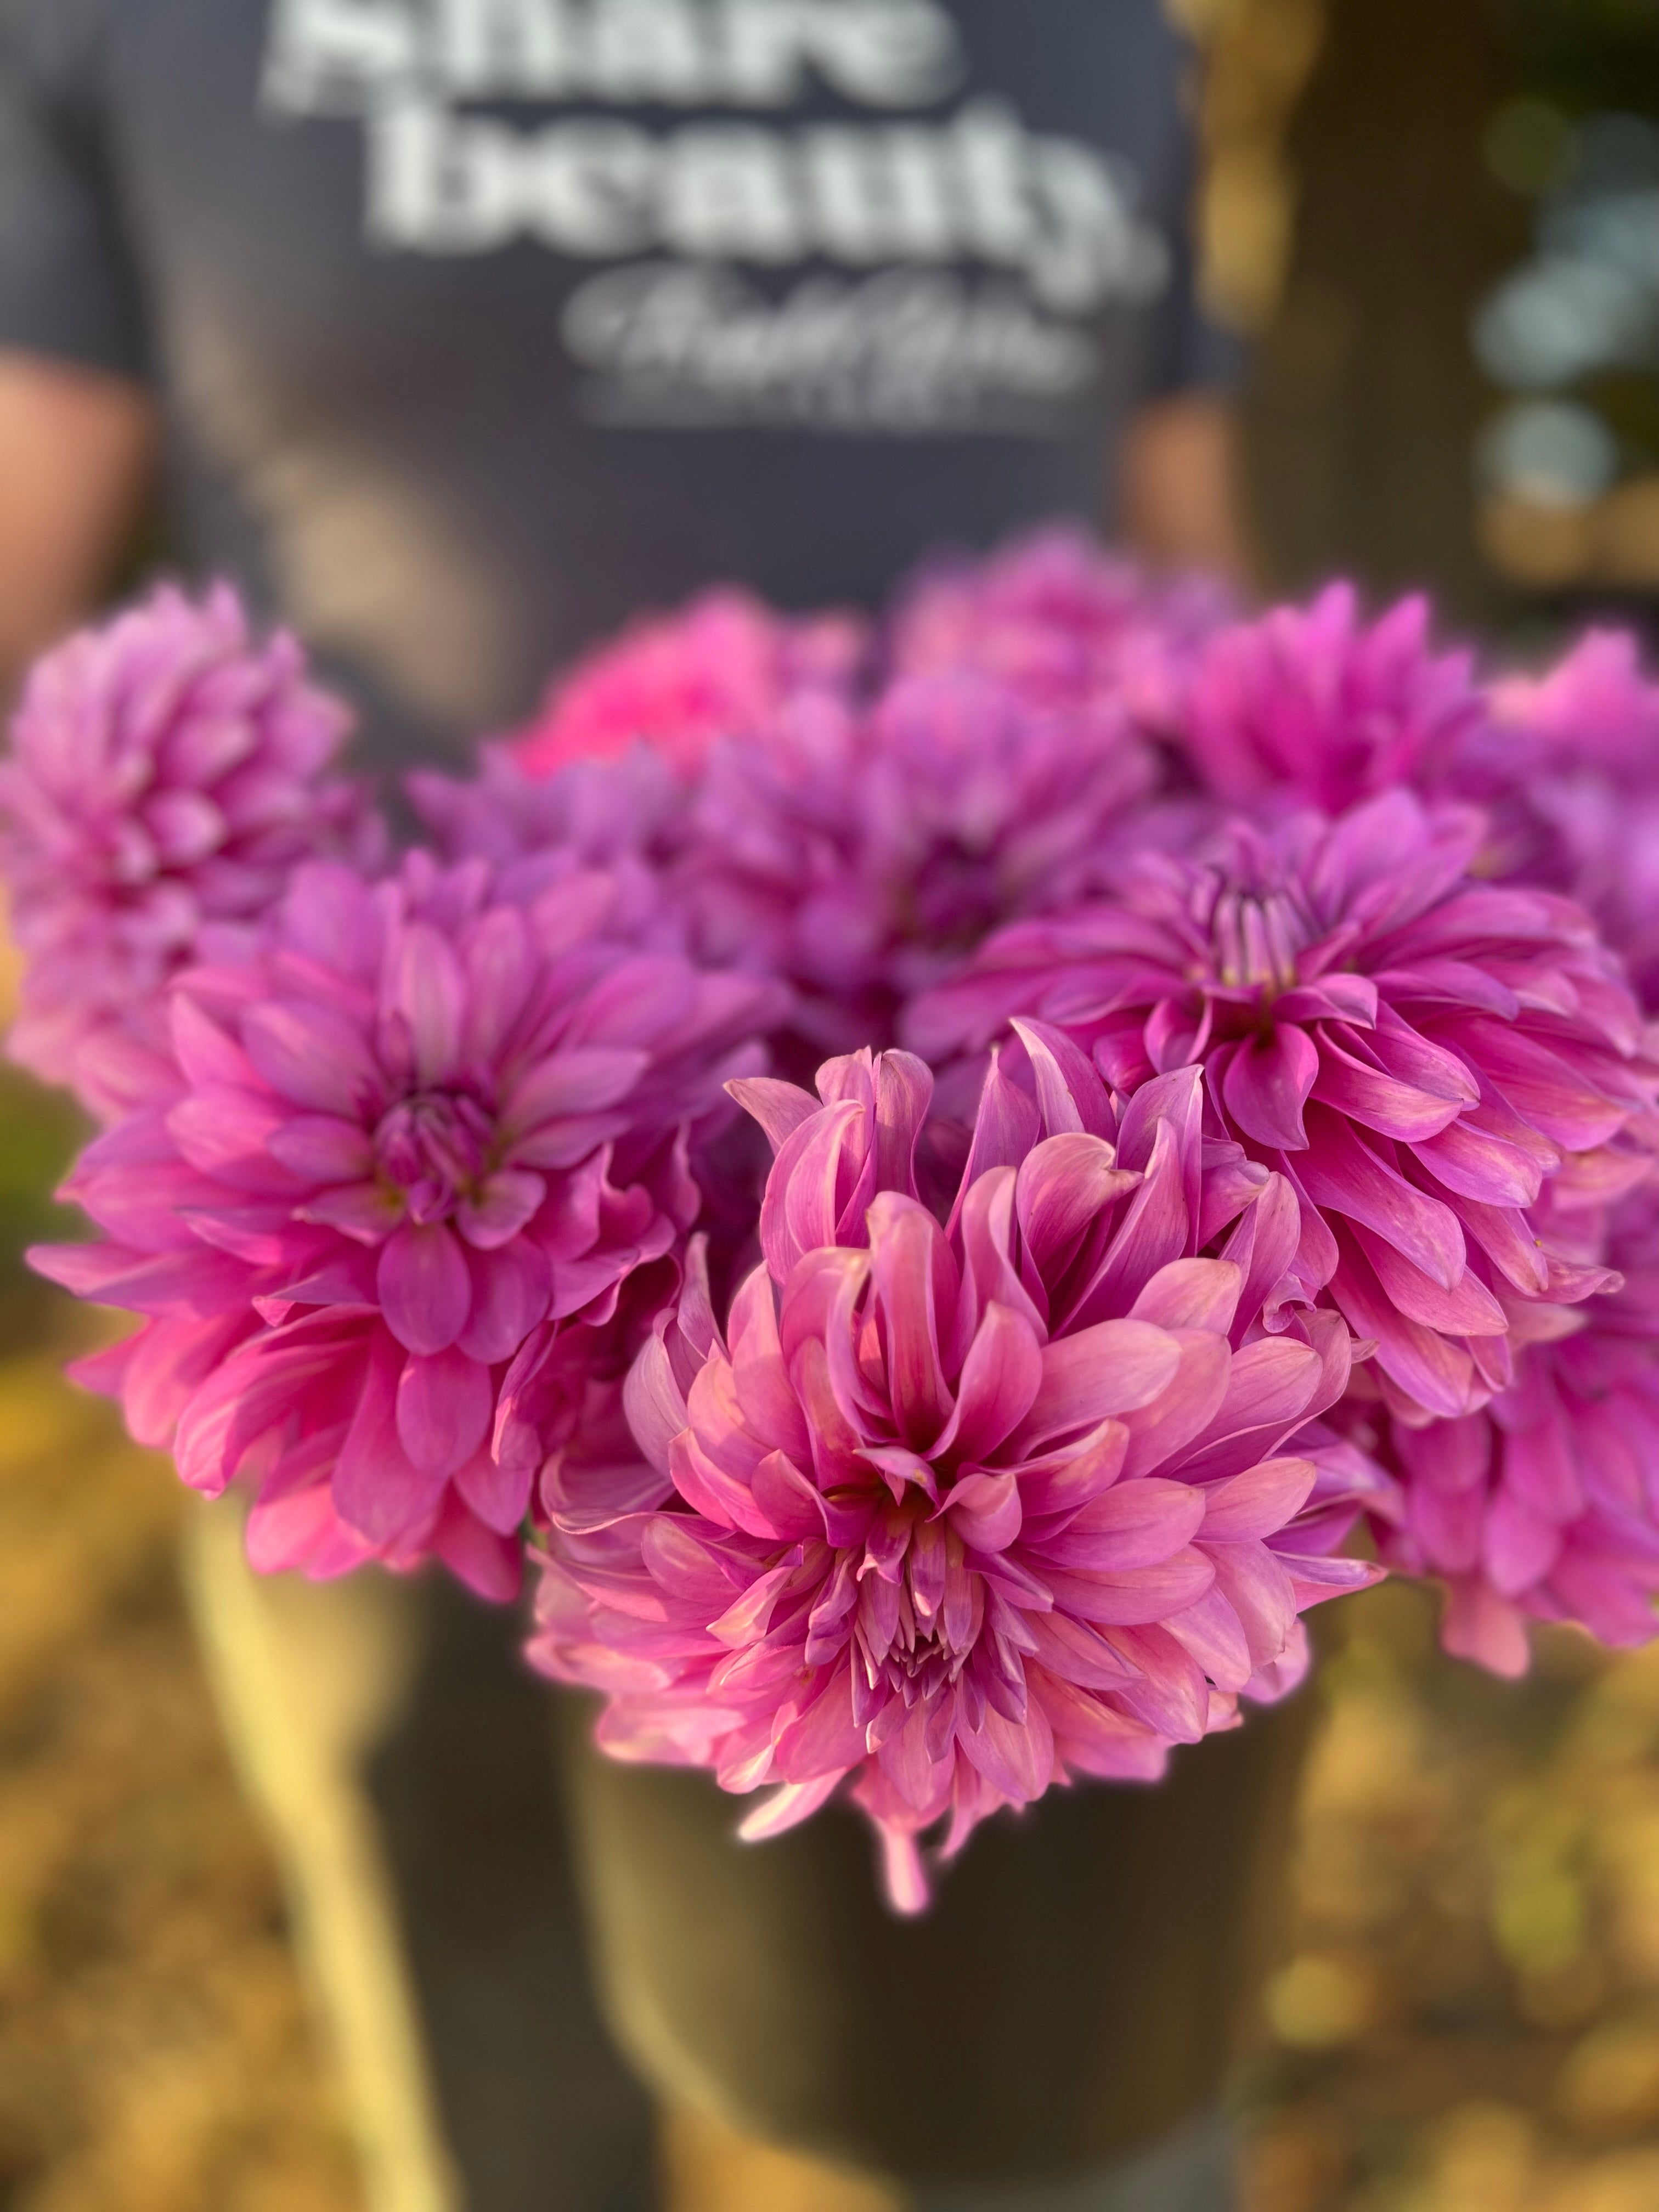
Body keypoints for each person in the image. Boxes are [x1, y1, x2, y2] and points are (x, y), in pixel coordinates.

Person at [0, 5, 1273, 2208]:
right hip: (385, 1281)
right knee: (477, 1988)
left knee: (1053, 2098)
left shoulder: (1090, 33)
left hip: (1055, 1279)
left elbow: (1200, 588)